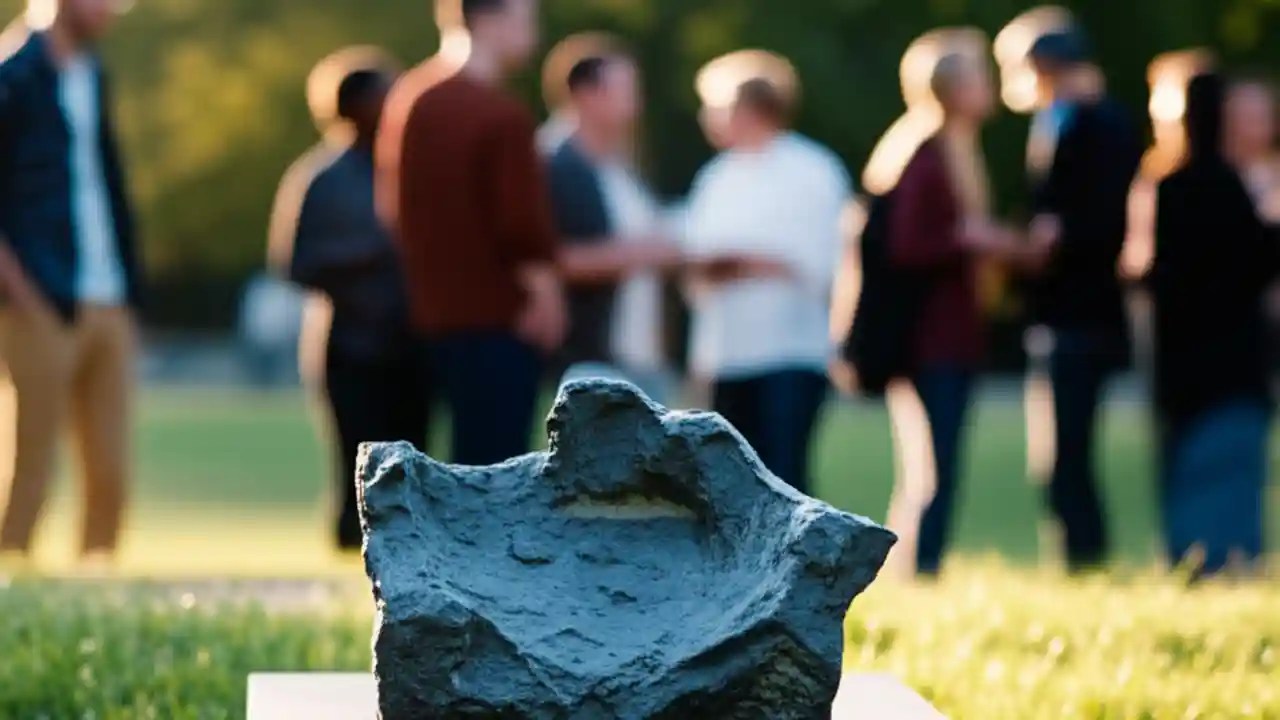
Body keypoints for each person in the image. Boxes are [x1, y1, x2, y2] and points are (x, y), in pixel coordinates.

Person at [377, 0, 564, 466]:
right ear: (488, 20)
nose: (534, 34)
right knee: (495, 473)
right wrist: (546, 296)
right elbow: (520, 225)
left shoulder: (412, 99)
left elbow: (392, 209)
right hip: (500, 321)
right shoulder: (500, 115)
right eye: (525, 20)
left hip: (428, 317)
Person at [882, 52, 1043, 578]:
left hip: (953, 335)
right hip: (931, 339)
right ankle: (921, 567)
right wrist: (970, 241)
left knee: (936, 462)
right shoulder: (928, 156)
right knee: (935, 462)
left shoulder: (955, 152)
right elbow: (906, 244)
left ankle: (921, 563)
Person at [0, 0, 141, 565]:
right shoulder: (13, 75)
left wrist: (129, 288)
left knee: (111, 467)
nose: (113, 10)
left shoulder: (92, 74)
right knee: (31, 463)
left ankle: (97, 583)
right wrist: (20, 289)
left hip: (108, 295)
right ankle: (10, 578)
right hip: (39, 296)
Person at [270, 49, 424, 551]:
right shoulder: (322, 178)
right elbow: (294, 262)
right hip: (350, 348)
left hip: (409, 344)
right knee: (356, 461)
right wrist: (373, 253)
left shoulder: (403, 170)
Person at [684, 57, 851, 496]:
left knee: (784, 477)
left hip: (791, 350)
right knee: (726, 485)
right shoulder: (715, 178)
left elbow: (823, 263)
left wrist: (748, 262)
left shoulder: (814, 170)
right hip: (726, 353)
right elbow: (695, 259)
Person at [1150, 72, 1279, 578]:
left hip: (1183, 373)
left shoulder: (1169, 186)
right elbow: (1251, 266)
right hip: (1229, 372)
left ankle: (1195, 566)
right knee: (1226, 490)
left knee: (1193, 488)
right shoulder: (1227, 189)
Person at [1023, 30, 1143, 573]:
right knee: (1061, 453)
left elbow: (1103, 218)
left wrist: (1055, 237)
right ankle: (1076, 556)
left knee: (1066, 451)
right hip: (1070, 311)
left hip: (1082, 312)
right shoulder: (1066, 121)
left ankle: (1084, 558)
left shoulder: (1096, 125)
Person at [548, 53, 684, 402]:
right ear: (586, 94)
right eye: (625, 89)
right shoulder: (553, 165)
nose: (636, 102)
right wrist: (644, 252)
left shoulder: (622, 167)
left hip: (644, 357)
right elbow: (549, 257)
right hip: (588, 361)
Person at [537, 31, 624, 156]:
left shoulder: (609, 152)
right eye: (621, 87)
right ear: (586, 93)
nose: (634, 103)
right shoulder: (552, 154)